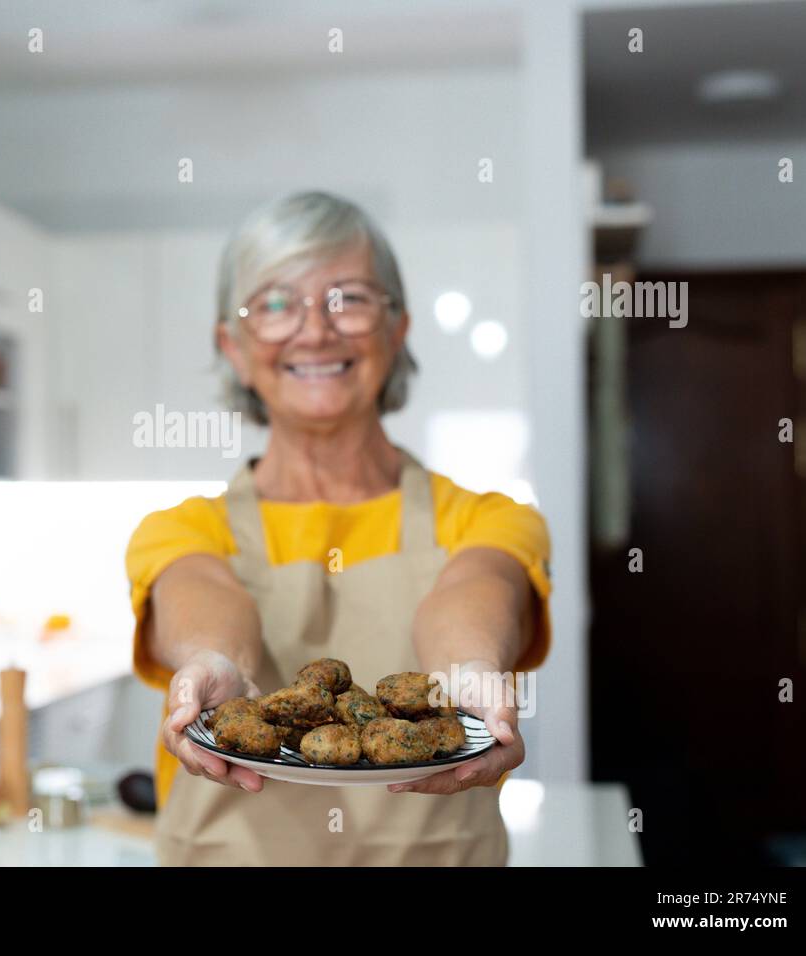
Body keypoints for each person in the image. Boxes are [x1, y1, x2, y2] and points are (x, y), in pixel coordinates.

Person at [125, 191, 551, 865]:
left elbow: (474, 590)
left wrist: (467, 671)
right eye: (275, 304)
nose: (315, 331)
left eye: (347, 298)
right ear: (232, 348)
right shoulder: (182, 529)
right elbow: (202, 598)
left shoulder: (489, 519)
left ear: (398, 328)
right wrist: (215, 664)